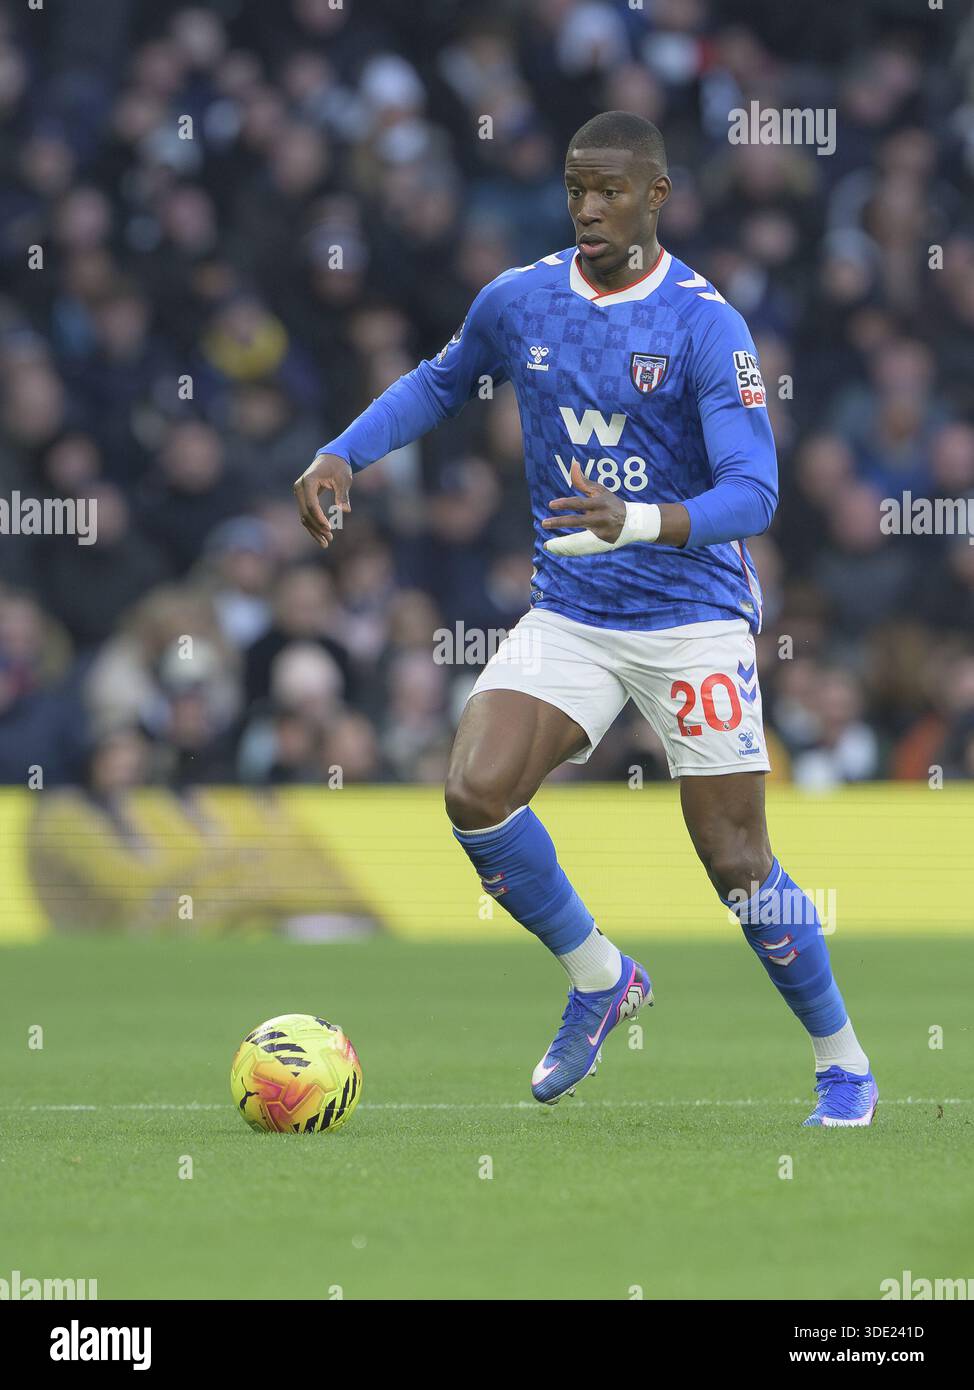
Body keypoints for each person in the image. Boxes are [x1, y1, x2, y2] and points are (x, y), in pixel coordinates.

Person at [294, 111, 877, 1126]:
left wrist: (639, 519)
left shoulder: (703, 324)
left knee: (733, 858)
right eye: (574, 188)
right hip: (572, 609)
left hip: (691, 613)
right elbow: (440, 383)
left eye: (608, 189)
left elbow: (755, 492)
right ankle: (601, 976)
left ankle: (842, 1061)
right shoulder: (519, 301)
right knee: (474, 790)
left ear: (656, 195)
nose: (587, 207)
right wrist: (344, 450)